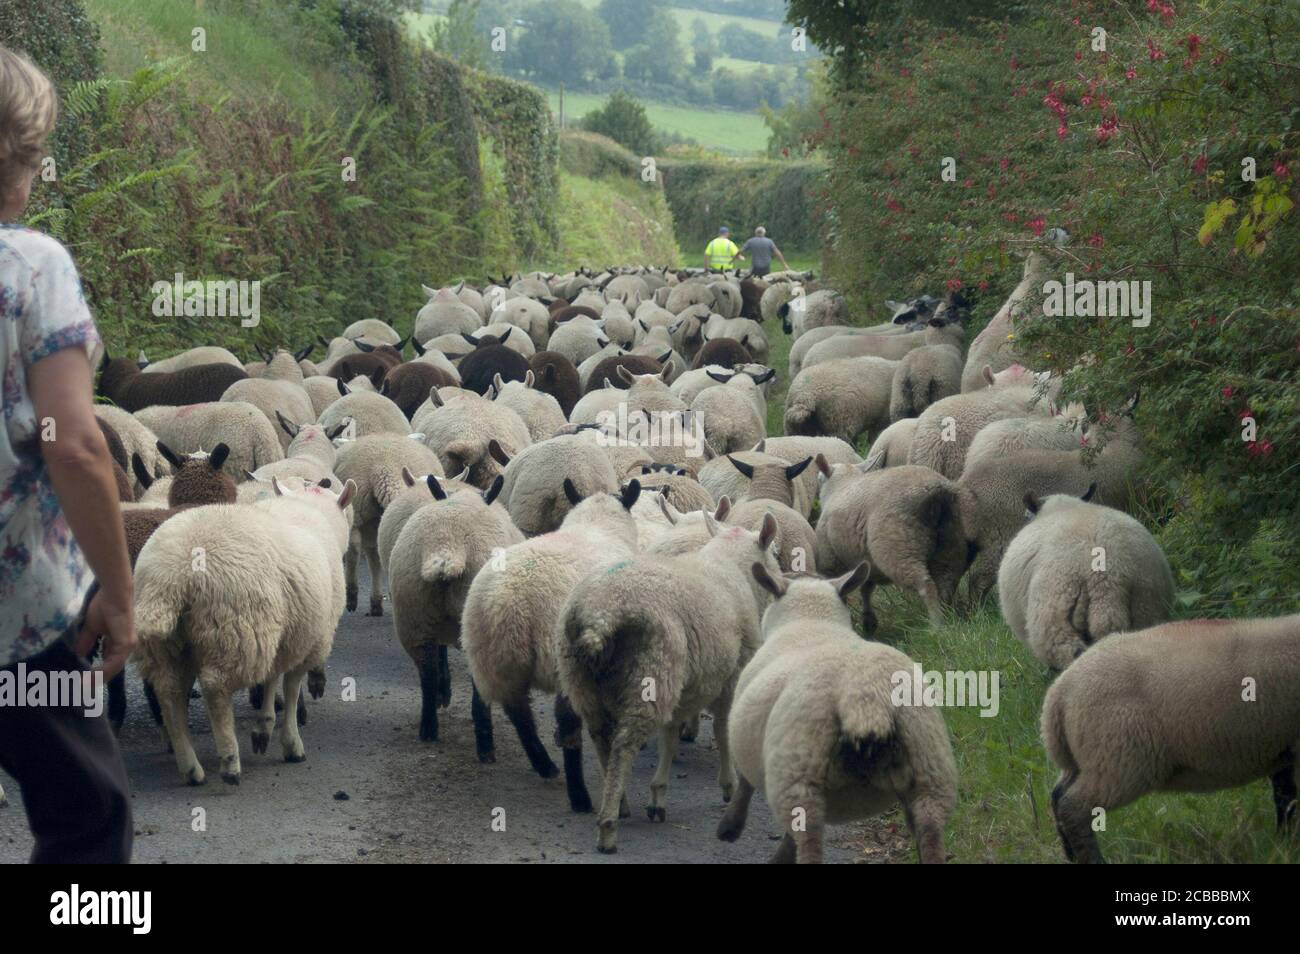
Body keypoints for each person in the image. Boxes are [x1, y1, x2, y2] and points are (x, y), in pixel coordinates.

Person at [0, 45, 135, 864]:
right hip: (23, 619)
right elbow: (78, 448)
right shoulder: (30, 266)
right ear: (25, 159)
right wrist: (118, 594)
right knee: (88, 822)